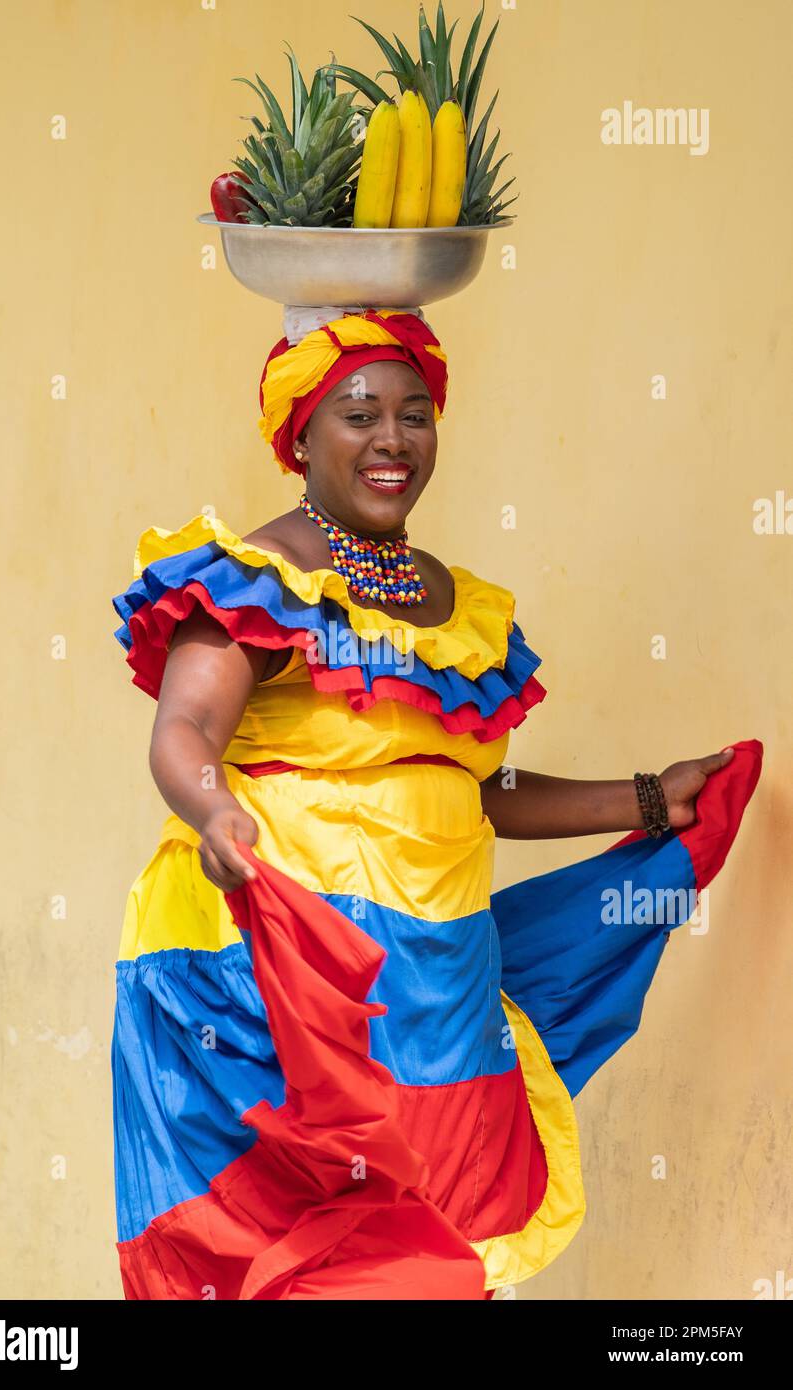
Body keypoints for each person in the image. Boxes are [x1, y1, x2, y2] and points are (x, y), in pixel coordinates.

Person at [110, 307, 761, 1300]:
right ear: (301, 436)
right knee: (290, 1251)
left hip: (434, 981)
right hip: (278, 967)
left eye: (413, 415)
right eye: (358, 414)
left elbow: (478, 793)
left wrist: (641, 799)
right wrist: (214, 814)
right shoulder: (256, 576)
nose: (390, 439)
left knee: (430, 1242)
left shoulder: (459, 606)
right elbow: (183, 730)